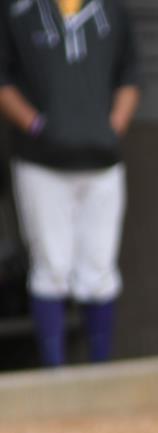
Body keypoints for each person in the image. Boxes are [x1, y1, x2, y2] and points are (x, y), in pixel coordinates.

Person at [0, 0, 139, 368]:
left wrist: (115, 126)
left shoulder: (112, 9)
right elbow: (3, 80)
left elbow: (130, 74)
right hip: (41, 162)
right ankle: (55, 376)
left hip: (102, 161)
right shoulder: (17, 10)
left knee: (99, 269)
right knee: (52, 267)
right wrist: (36, 126)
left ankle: (99, 372)